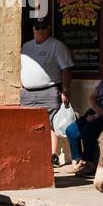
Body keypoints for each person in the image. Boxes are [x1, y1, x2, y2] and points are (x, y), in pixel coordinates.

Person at [20, 17, 74, 159]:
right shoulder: (26, 46)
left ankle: (53, 154)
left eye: (43, 27)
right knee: (28, 123)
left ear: (49, 28)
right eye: (37, 27)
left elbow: (66, 68)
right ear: (33, 29)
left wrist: (66, 90)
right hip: (28, 92)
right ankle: (32, 152)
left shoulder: (57, 46)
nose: (40, 30)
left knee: (51, 123)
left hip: (49, 90)